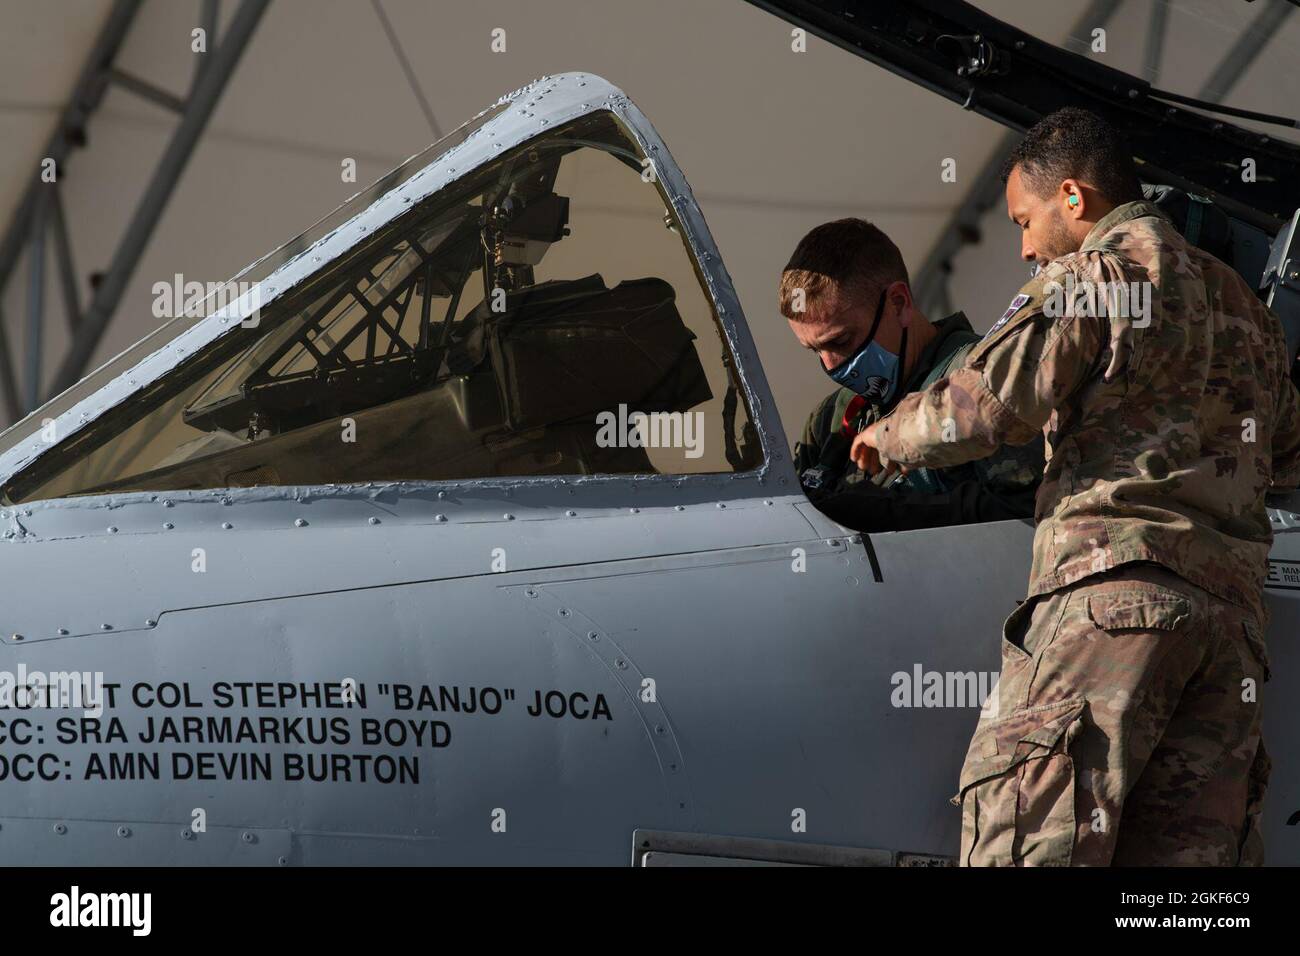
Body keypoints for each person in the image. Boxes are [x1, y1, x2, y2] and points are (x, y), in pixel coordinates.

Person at [853, 106, 1300, 866]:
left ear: (1073, 198)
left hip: (1112, 601)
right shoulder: (1247, 313)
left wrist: (885, 437)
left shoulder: (1098, 275)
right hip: (1229, 636)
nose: (1026, 248)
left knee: (1029, 833)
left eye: (1025, 222)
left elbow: (989, 404)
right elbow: (1287, 456)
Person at [780, 218, 1044, 531]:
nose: (830, 364)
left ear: (899, 303)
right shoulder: (832, 420)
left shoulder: (984, 381)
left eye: (840, 340)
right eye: (814, 350)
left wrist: (896, 514)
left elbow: (1030, 514)